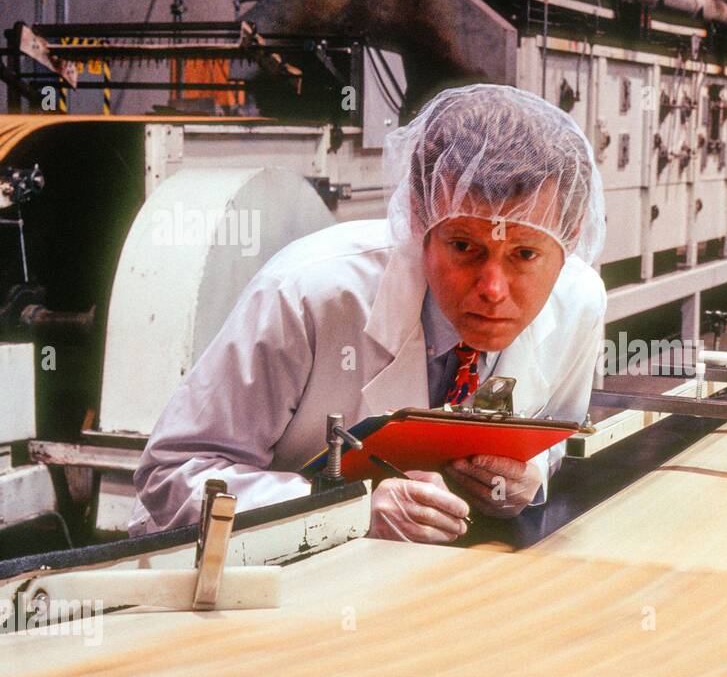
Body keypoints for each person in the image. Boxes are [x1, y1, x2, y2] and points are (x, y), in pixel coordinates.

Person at [127, 84, 608, 543]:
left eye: (525, 255)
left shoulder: (579, 301)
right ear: (418, 221)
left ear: (568, 237)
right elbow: (173, 476)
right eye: (464, 247)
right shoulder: (308, 292)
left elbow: (553, 432)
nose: (493, 290)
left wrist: (527, 479)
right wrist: (344, 509)